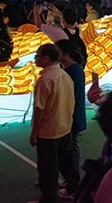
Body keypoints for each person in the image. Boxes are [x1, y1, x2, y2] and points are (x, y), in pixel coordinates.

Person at [28, 44, 75, 203]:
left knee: (47, 168)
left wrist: (34, 132)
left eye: (38, 56)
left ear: (47, 58)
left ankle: (48, 199)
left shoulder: (45, 80)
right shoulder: (65, 75)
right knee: (65, 162)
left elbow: (40, 109)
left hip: (49, 131)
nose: (36, 58)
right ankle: (74, 189)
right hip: (64, 127)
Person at [54, 39, 85, 199]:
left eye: (57, 51)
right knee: (70, 150)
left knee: (70, 151)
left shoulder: (72, 71)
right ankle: (71, 181)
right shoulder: (72, 68)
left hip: (72, 117)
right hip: (72, 116)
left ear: (65, 54)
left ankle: (74, 187)